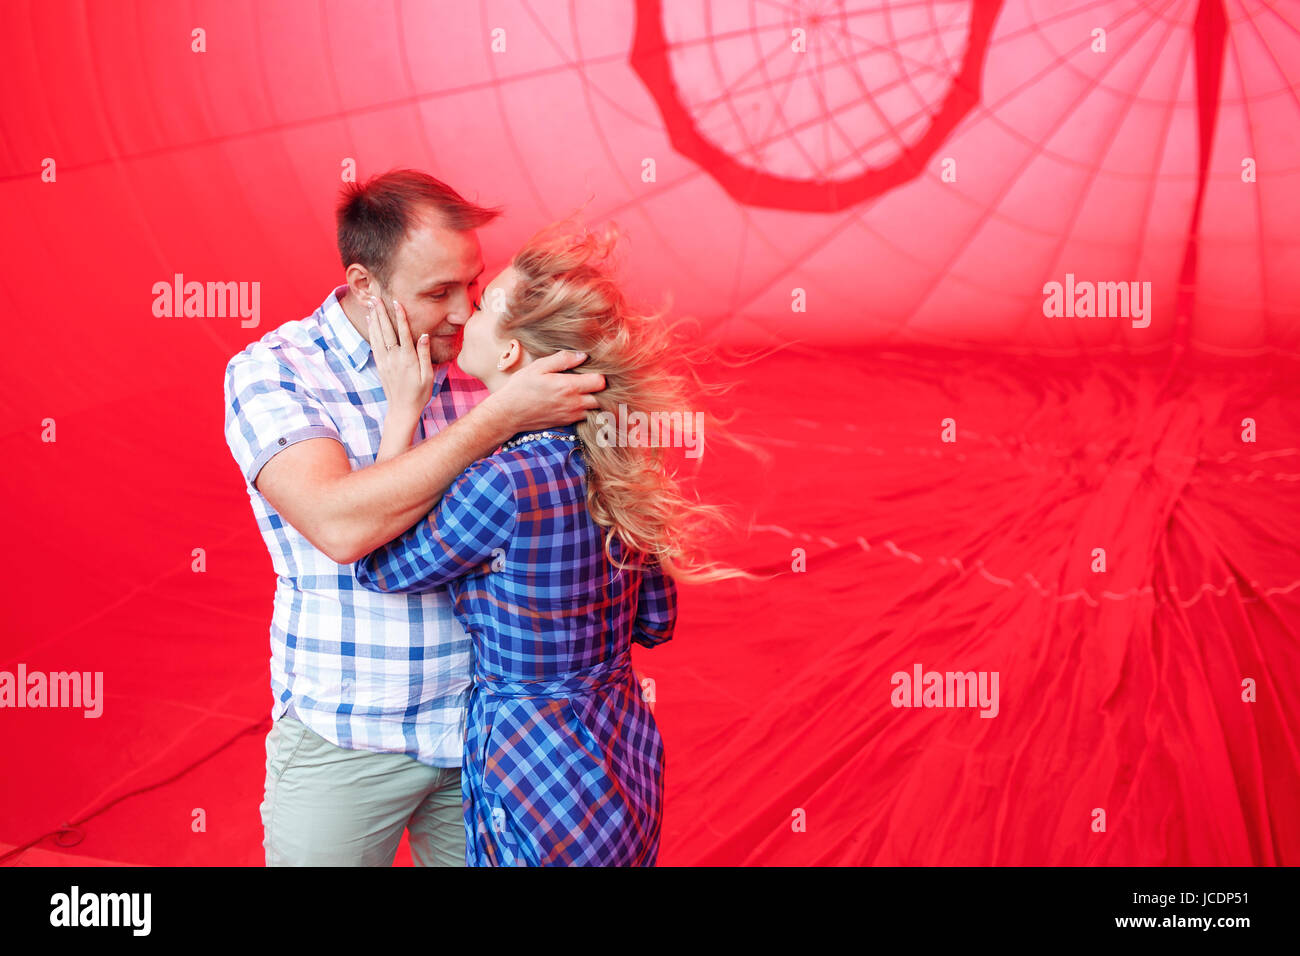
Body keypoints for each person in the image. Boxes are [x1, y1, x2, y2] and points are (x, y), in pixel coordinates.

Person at [222, 169, 605, 866]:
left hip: (485, 741)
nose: (464, 312)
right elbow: (341, 528)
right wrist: (500, 418)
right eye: (438, 293)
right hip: (348, 733)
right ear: (365, 285)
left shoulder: (483, 356)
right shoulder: (275, 373)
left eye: (474, 285)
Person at [354, 221, 739, 866]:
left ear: (509, 357)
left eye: (480, 307)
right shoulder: (615, 461)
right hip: (622, 748)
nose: (462, 317)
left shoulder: (501, 482)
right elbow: (655, 620)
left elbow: (380, 562)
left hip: (534, 759)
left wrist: (403, 414)